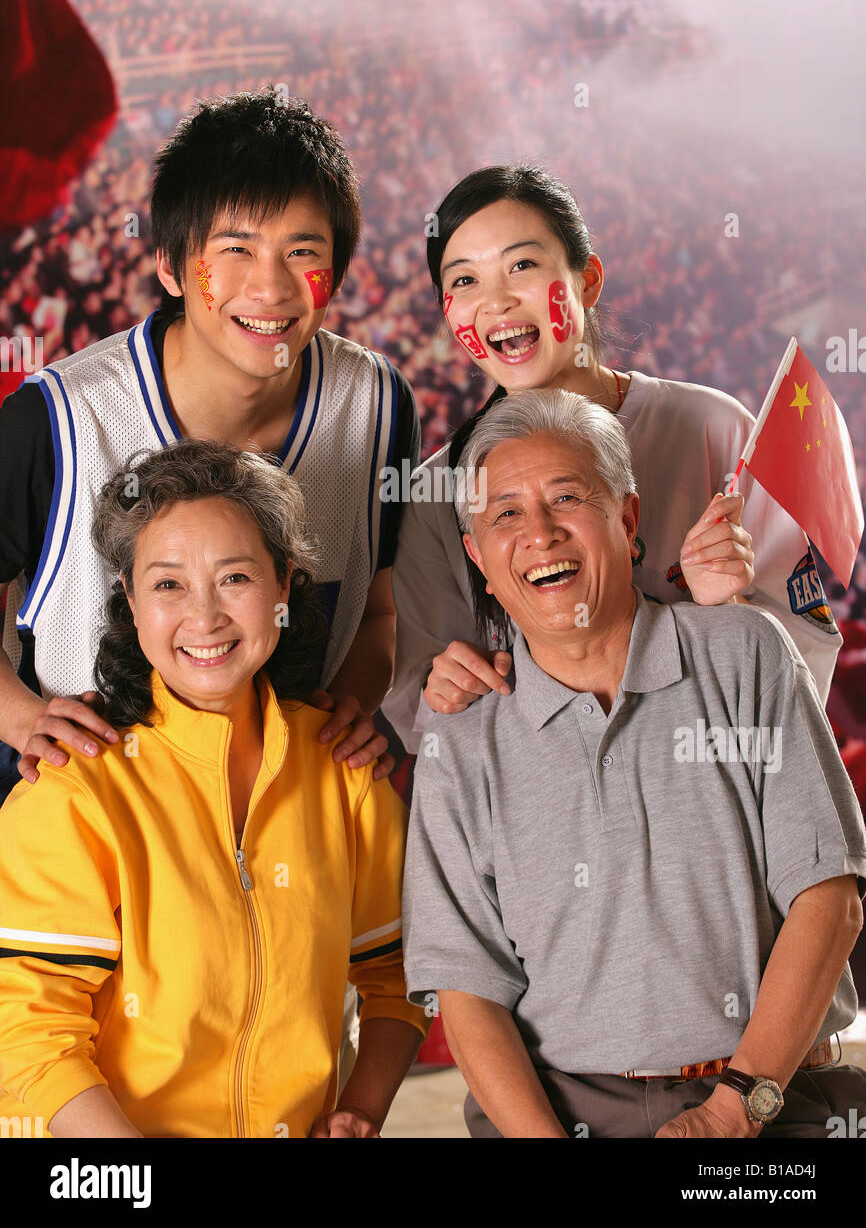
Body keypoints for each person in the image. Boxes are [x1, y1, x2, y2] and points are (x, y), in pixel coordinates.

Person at [403, 389, 866, 1139]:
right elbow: (467, 987)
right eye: (506, 515)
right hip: (558, 1114)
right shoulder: (461, 738)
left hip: (776, 1098)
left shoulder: (744, 652)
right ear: (479, 559)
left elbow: (830, 897)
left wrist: (734, 1108)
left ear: (626, 519)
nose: (541, 534)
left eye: (567, 498)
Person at [0, 86, 419, 802]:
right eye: (235, 249)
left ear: (337, 274)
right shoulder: (57, 418)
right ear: (170, 266)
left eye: (302, 252)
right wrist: (23, 719)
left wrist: (350, 701)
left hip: (292, 808)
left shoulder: (377, 404)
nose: (269, 286)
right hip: (98, 816)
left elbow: (381, 610)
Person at [0, 440, 427, 1138]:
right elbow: (26, 1030)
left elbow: (400, 975)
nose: (205, 617)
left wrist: (358, 1113)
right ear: (130, 602)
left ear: (284, 585)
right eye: (167, 584)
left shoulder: (345, 770)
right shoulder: (74, 788)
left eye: (235, 578)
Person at [383, 165, 840, 759]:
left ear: (588, 279)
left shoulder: (713, 429)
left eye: (522, 265)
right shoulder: (437, 494)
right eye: (464, 280)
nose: (495, 301)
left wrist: (732, 614)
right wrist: (443, 692)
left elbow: (807, 657)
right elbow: (421, 719)